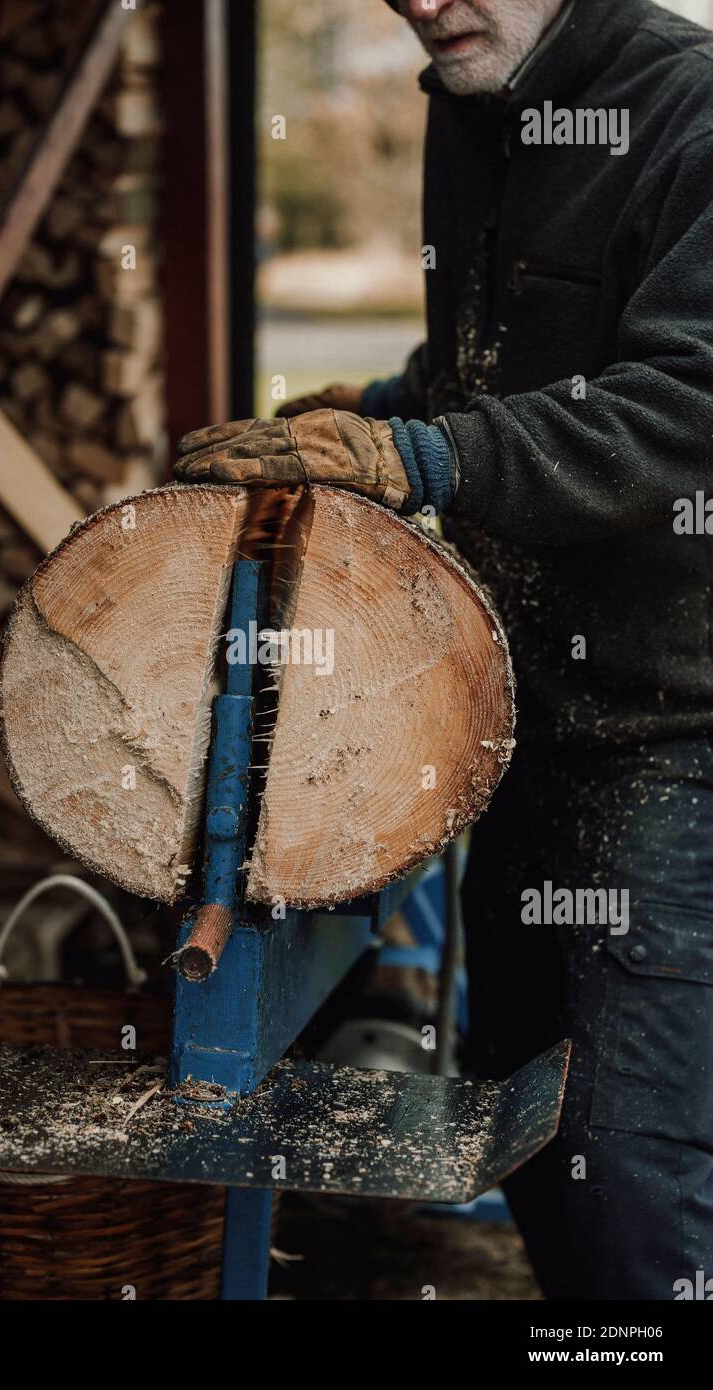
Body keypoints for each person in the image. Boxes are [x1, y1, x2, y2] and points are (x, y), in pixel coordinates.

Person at [174, 0, 713, 1300]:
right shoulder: (472, 89)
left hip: (664, 735)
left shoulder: (686, 107)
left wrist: (418, 457)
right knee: (529, 1131)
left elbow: (687, 402)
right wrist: (376, 409)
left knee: (629, 1167)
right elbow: (500, 366)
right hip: (511, 711)